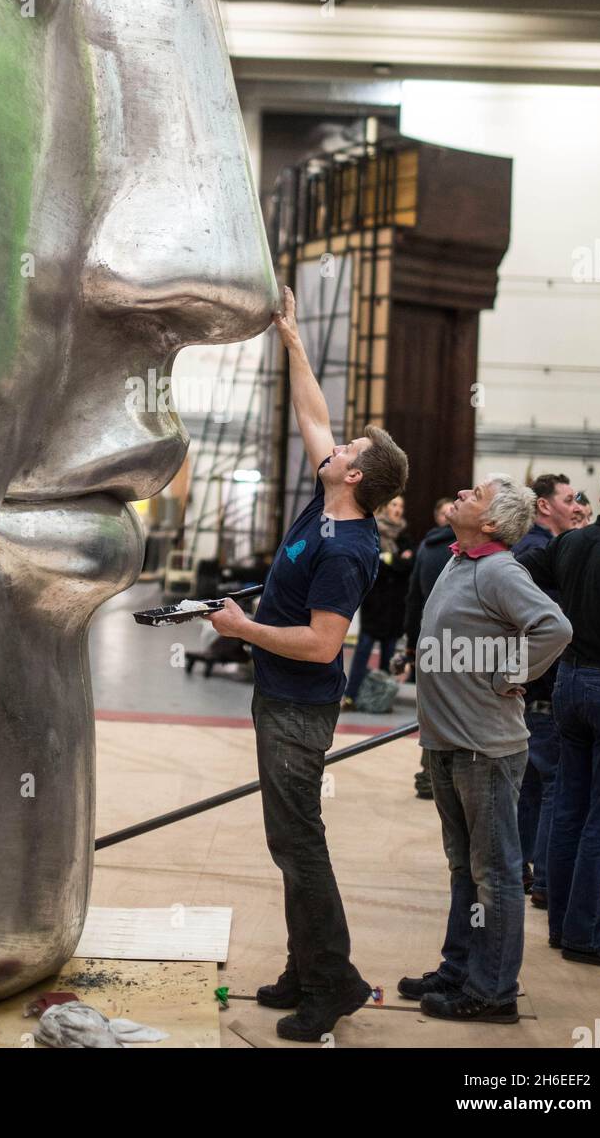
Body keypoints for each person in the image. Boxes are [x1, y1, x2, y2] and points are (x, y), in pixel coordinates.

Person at [206, 286, 408, 1042]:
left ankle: (334, 983)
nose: (335, 447)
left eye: (348, 450)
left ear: (354, 477)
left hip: (299, 709)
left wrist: (244, 627)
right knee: (289, 842)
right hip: (279, 698)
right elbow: (313, 414)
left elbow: (325, 646)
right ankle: (303, 965)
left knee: (299, 843)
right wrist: (291, 340)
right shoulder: (329, 503)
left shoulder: (347, 548)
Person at [400, 475, 572, 1022]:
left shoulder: (499, 569)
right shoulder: (459, 559)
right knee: (464, 868)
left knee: (495, 875)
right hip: (449, 742)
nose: (462, 495)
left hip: (485, 749)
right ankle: (459, 969)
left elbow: (555, 627)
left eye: (475, 495)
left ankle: (493, 992)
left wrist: (508, 674)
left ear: (493, 524)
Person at [518, 459, 600, 969]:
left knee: (569, 807)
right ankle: (586, 934)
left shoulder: (569, 542)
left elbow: (524, 584)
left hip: (569, 683)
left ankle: (564, 924)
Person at [512, 474, 580, 906]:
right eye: (570, 499)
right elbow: (551, 624)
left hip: (528, 688)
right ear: (543, 505)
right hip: (542, 687)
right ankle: (547, 881)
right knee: (553, 782)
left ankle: (520, 867)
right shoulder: (540, 553)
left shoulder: (535, 549)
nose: (576, 507)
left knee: (531, 783)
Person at [398, 496, 456, 798]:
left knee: (431, 711)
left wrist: (410, 646)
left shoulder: (425, 546)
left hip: (427, 639)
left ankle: (427, 776)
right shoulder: (464, 550)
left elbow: (413, 599)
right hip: (461, 644)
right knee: (456, 712)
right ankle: (443, 779)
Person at [342, 495, 414, 708]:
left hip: (394, 607)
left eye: (401, 505)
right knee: (362, 652)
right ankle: (351, 697)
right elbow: (372, 564)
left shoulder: (404, 537)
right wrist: (396, 560)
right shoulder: (374, 532)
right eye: (394, 504)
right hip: (374, 604)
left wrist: (389, 559)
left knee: (388, 655)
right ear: (385, 507)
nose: (398, 509)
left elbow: (409, 565)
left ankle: (382, 699)